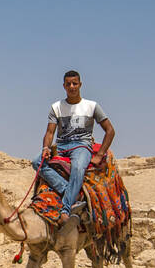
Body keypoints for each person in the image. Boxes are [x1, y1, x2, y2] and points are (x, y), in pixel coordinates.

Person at [33, 70, 115, 227]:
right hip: (62, 145)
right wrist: (46, 148)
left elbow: (110, 130)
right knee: (36, 162)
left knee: (78, 167)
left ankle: (66, 209)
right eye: (68, 84)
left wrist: (100, 154)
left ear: (80, 85)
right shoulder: (56, 107)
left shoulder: (91, 106)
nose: (72, 86)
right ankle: (69, 190)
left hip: (81, 145)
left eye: (74, 83)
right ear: (63, 86)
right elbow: (50, 132)